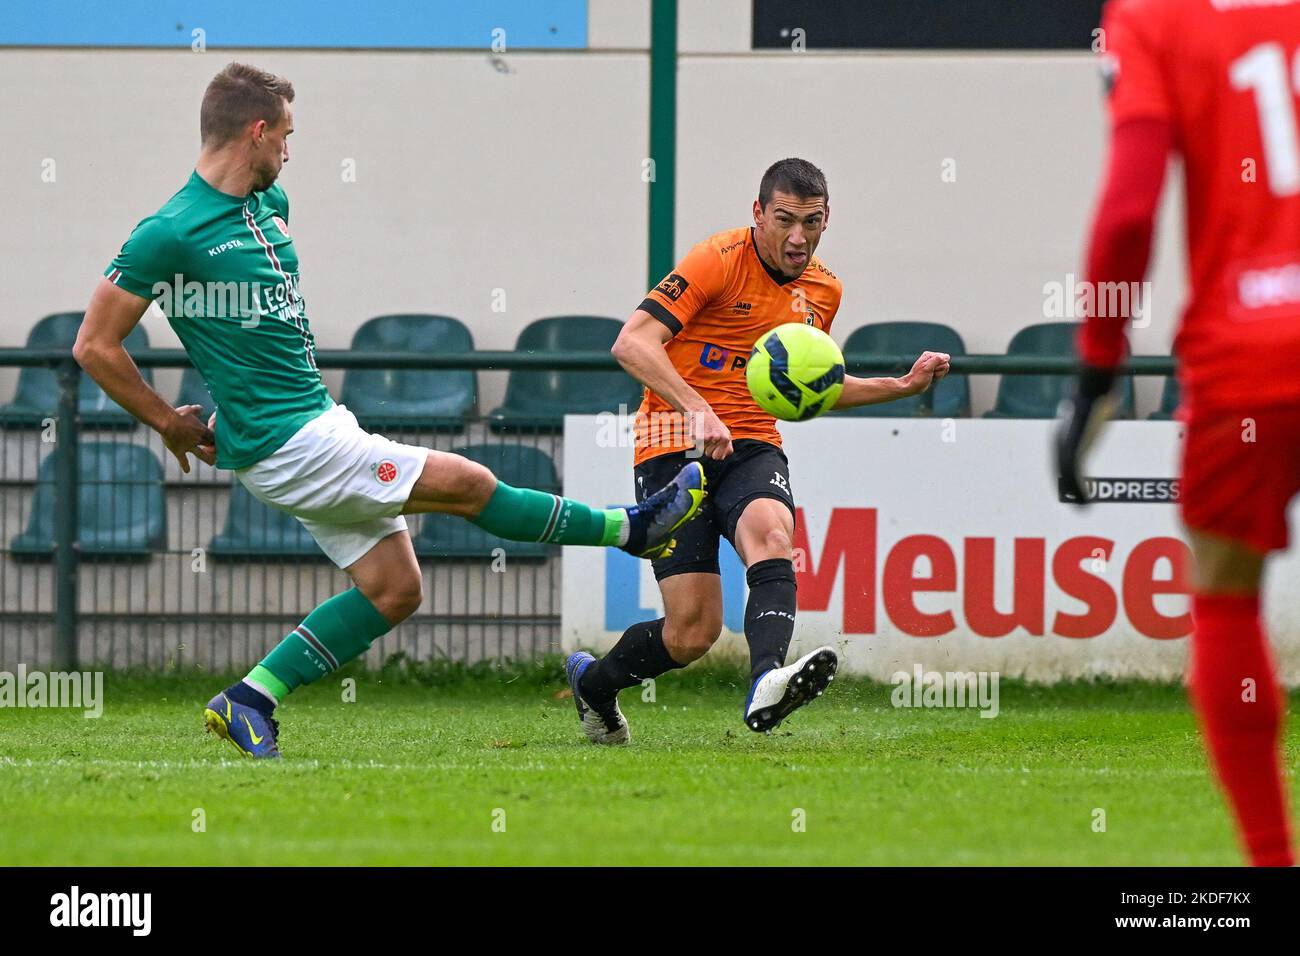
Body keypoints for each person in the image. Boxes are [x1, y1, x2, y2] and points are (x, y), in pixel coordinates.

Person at [74, 62, 705, 759]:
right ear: (256, 132)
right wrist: (168, 421)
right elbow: (95, 344)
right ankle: (633, 529)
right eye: (285, 135)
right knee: (467, 483)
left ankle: (250, 698)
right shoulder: (169, 232)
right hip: (288, 444)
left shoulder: (267, 207)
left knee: (394, 589)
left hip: (314, 425)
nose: (290, 151)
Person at [565, 158, 951, 744]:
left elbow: (812, 384)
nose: (798, 237)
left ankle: (767, 679)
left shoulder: (824, 289)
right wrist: (697, 407)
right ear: (758, 214)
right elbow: (632, 342)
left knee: (773, 536)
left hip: (752, 443)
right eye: (785, 220)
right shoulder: (715, 260)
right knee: (692, 632)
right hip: (672, 444)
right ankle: (595, 686)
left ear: (827, 220)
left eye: (812, 222)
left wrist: (899, 387)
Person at [1057, 0, 1300, 866]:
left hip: (1248, 355)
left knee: (1226, 598)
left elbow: (1128, 212)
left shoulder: (1155, 17)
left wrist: (1096, 366)